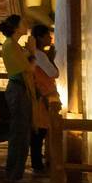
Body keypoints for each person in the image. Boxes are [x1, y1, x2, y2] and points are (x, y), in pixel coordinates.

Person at [0, 13, 33, 182]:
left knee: (21, 131)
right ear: (15, 28)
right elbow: (28, 68)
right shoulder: (10, 45)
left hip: (20, 88)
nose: (26, 25)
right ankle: (14, 172)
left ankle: (15, 171)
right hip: (18, 90)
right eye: (23, 23)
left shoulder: (14, 45)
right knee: (19, 132)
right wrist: (32, 52)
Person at [29, 23, 59, 174]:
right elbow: (54, 73)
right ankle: (37, 163)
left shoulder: (36, 53)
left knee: (40, 129)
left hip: (40, 94)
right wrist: (51, 58)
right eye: (48, 35)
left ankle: (38, 161)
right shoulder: (39, 55)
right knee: (40, 130)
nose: (51, 38)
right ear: (40, 37)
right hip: (43, 94)